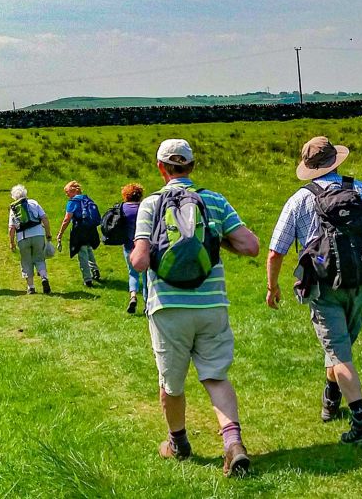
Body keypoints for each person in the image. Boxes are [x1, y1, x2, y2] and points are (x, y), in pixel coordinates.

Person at [128, 139, 260, 477]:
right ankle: (233, 443)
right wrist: (216, 241)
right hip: (211, 302)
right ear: (192, 167)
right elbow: (250, 246)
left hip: (168, 307)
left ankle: (178, 443)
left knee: (172, 383)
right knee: (215, 375)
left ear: (161, 168)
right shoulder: (213, 200)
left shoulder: (151, 204)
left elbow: (141, 261)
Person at [266, 136, 362, 447]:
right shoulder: (360, 190)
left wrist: (273, 286)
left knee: (339, 353)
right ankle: (331, 397)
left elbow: (275, 251)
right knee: (341, 348)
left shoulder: (300, 200)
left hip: (323, 287)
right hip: (359, 281)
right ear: (336, 160)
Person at [55, 181, 102, 288]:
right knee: (88, 249)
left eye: (67, 192)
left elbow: (67, 219)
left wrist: (60, 234)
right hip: (91, 229)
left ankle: (87, 279)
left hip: (80, 229)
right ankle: (95, 270)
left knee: (82, 253)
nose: (66, 194)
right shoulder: (87, 199)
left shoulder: (73, 202)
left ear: (73, 190)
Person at [8, 184, 53, 294]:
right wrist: (48, 234)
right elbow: (45, 218)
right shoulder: (34, 203)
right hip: (38, 234)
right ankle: (44, 278)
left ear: (14, 197)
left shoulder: (13, 208)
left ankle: (31, 287)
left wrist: (12, 242)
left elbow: (11, 228)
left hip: (22, 237)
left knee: (26, 261)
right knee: (39, 258)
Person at [120, 183, 145, 315]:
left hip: (128, 246)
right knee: (146, 274)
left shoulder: (123, 208)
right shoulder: (144, 208)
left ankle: (133, 296)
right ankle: (147, 303)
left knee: (132, 273)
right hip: (145, 246)